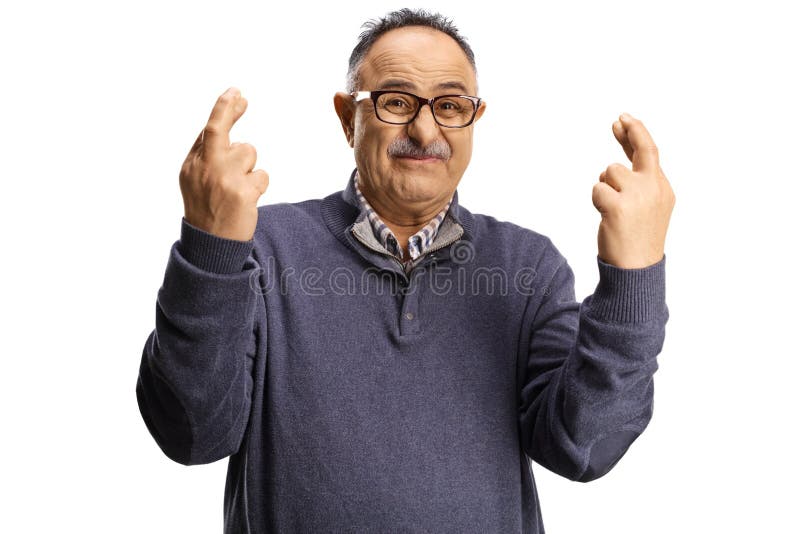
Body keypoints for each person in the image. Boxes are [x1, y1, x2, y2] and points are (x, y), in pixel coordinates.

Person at [136, 8, 674, 533]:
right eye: (396, 101)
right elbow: (191, 432)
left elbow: (586, 447)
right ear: (349, 117)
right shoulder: (258, 248)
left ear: (474, 118)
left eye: (450, 104)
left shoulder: (528, 266)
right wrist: (210, 250)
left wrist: (635, 275)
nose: (424, 129)